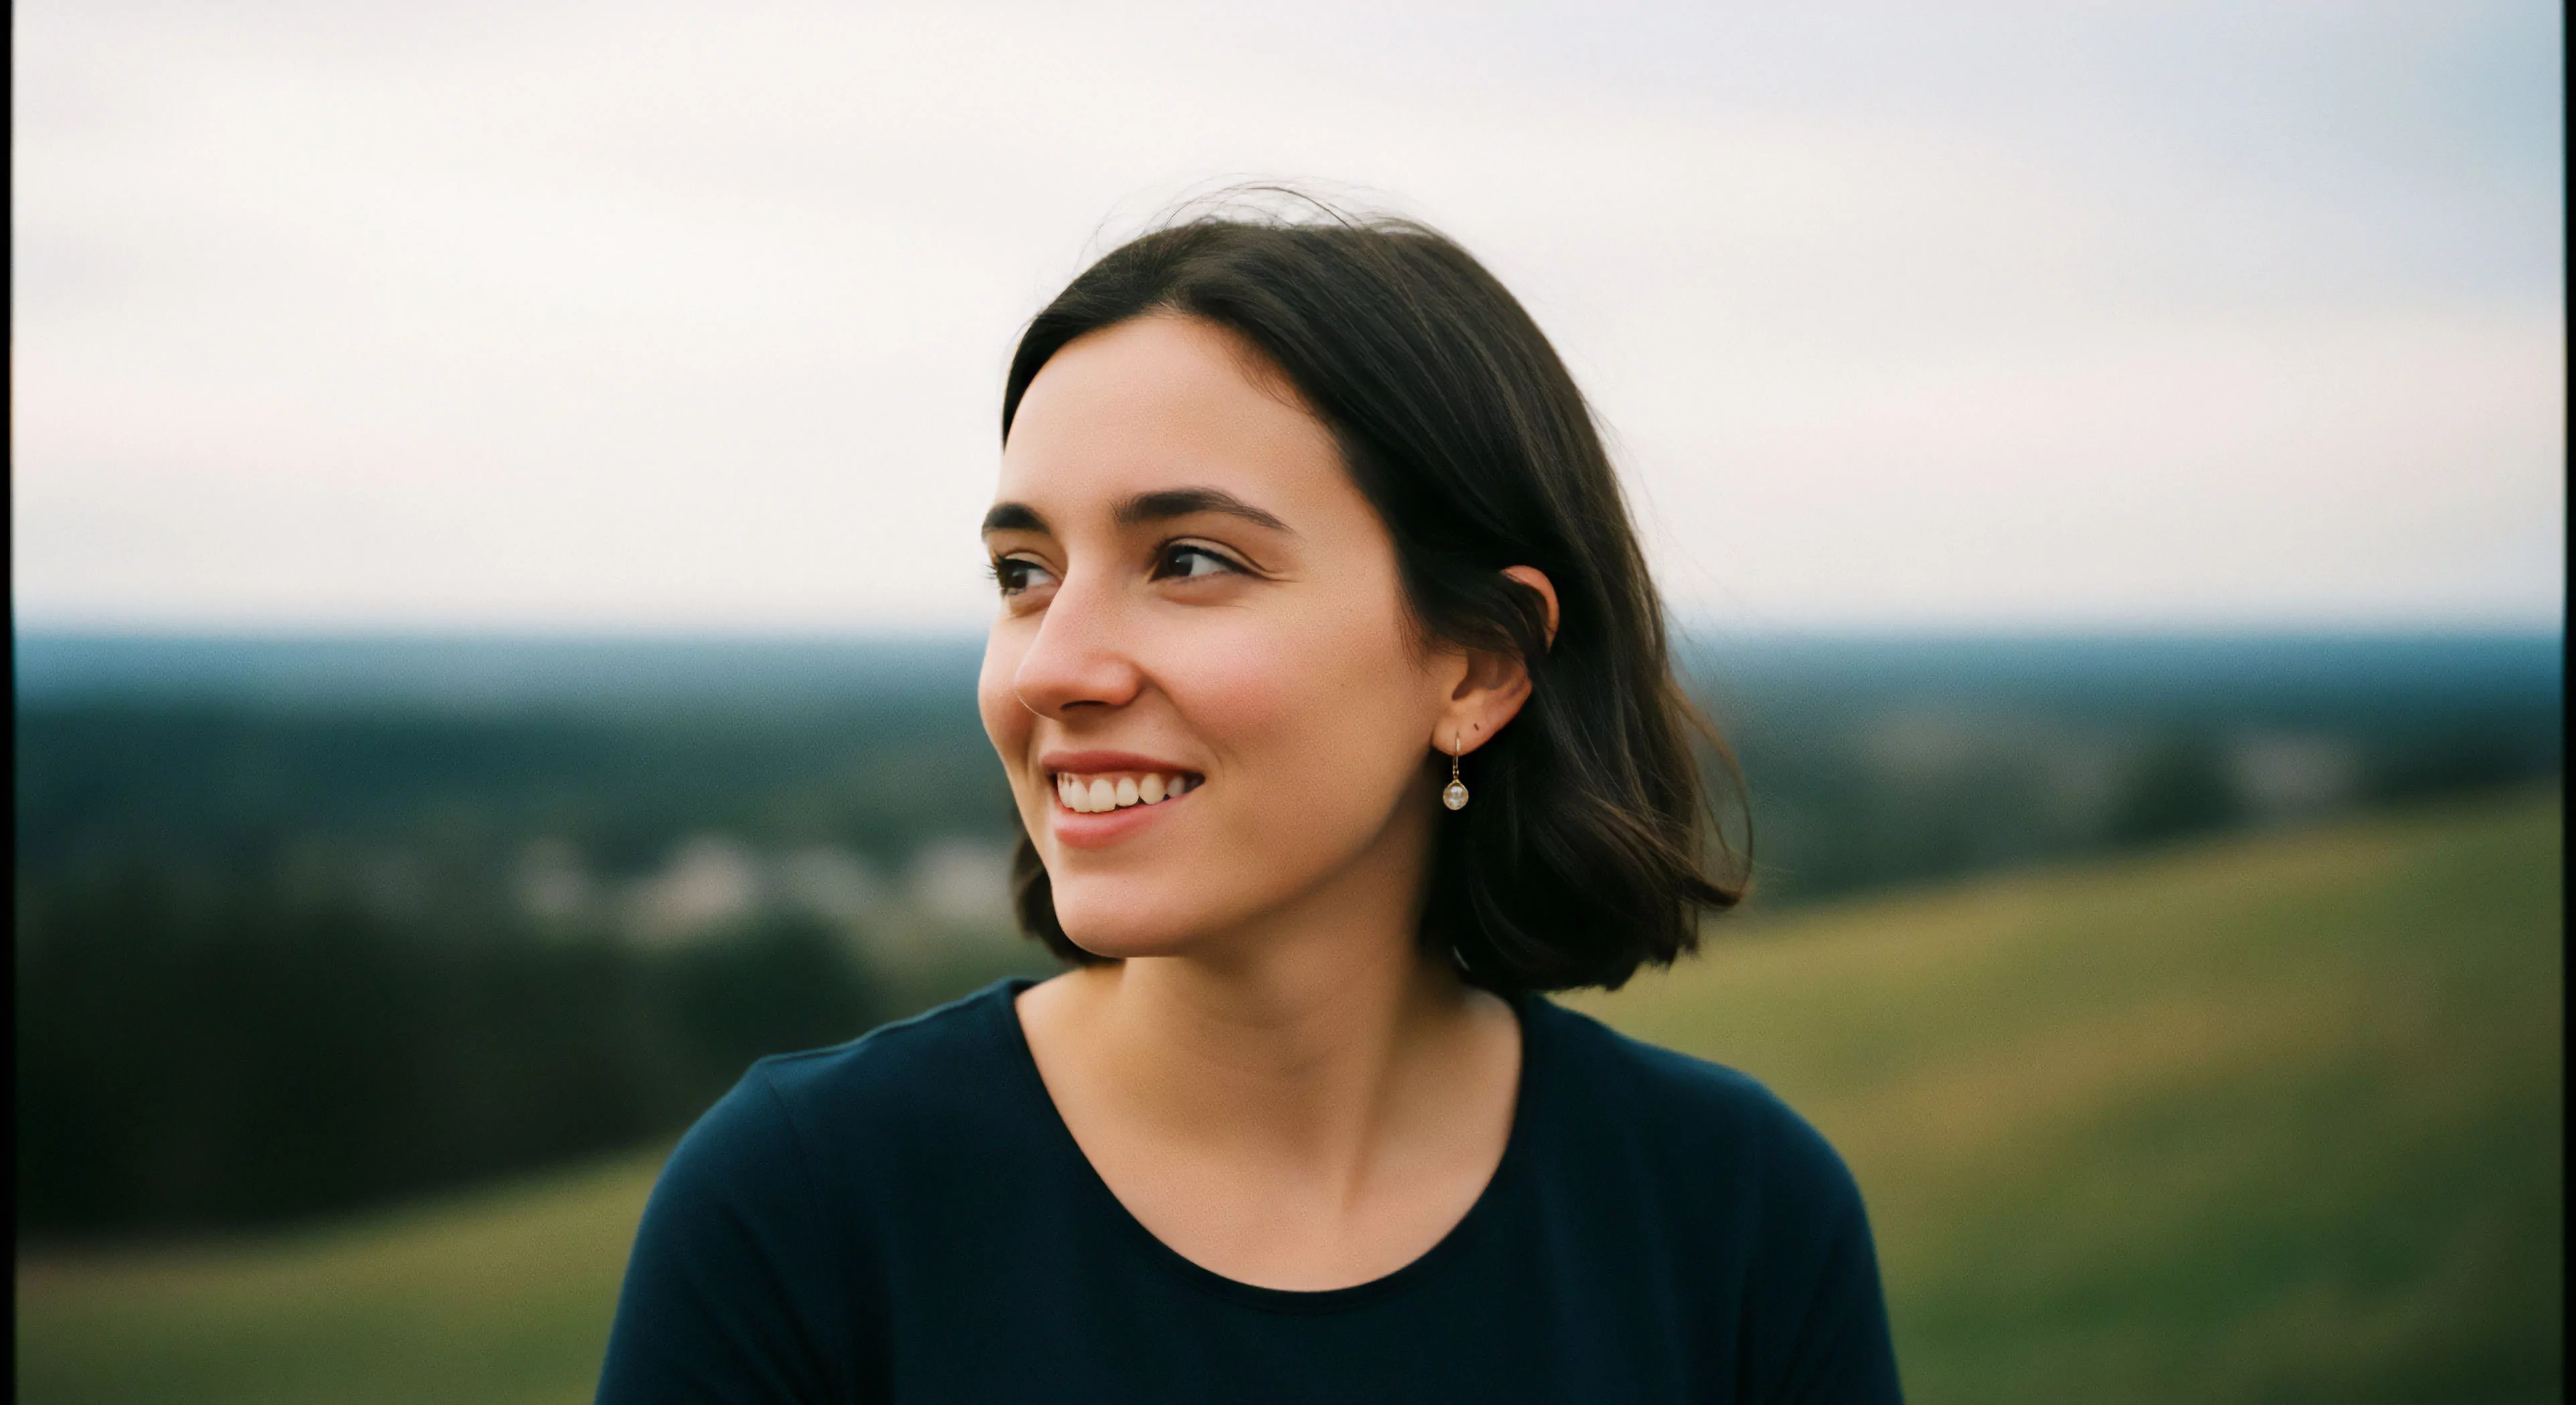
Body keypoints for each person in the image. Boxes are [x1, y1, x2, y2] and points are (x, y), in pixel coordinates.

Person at [594, 201, 1904, 1404]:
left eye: (1189, 560)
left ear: (1478, 665)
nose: (1052, 663)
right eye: (1022, 570)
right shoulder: (802, 1214)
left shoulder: (1735, 1221)